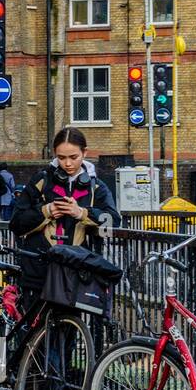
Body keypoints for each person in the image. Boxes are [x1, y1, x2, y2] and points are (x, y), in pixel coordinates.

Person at [9, 126, 121, 295]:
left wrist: (82, 213)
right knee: (35, 320)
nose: (68, 163)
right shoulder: (41, 180)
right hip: (38, 271)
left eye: (73, 157)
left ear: (84, 153)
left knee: (70, 321)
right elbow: (16, 223)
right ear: (54, 154)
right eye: (61, 158)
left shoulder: (96, 187)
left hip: (76, 271)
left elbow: (113, 222)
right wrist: (46, 211)